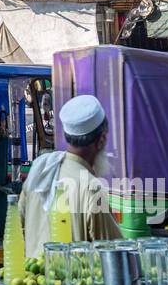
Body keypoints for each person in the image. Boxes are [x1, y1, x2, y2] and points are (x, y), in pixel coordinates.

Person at [18, 94, 122, 258]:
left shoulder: (39, 169)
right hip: (72, 282)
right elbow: (113, 253)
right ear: (101, 140)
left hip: (33, 279)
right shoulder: (91, 187)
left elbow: (18, 229)